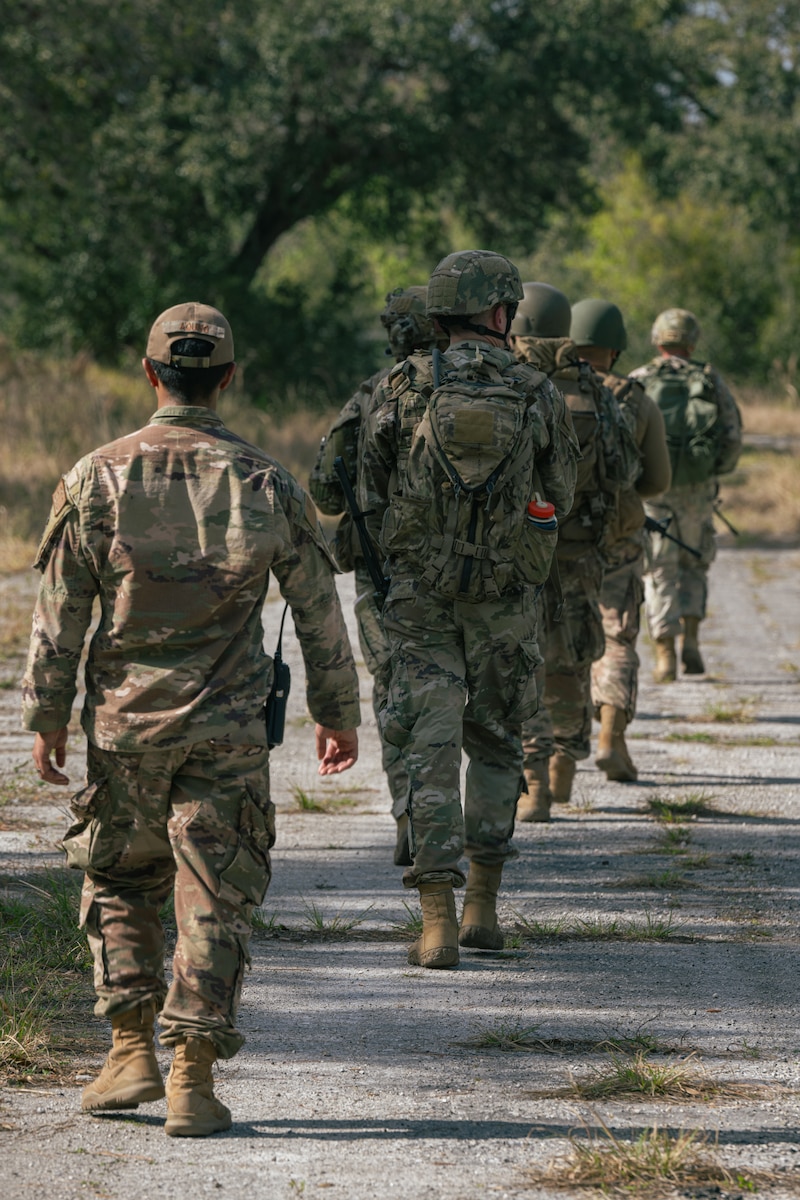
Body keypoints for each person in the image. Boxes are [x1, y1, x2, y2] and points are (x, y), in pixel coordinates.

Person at [21, 302, 360, 1136]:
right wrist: (337, 711)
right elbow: (319, 610)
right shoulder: (267, 482)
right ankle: (191, 1079)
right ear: (228, 379)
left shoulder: (94, 477)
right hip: (228, 732)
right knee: (214, 892)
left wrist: (46, 713)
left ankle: (128, 1051)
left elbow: (60, 613)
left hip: (124, 730)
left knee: (119, 879)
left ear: (150, 374)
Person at [360, 250, 578, 969]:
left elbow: (369, 493)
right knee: (495, 741)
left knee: (429, 747)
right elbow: (563, 492)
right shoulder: (536, 390)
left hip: (420, 601)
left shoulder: (401, 384)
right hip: (505, 602)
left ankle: (436, 924)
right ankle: (483, 905)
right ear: (499, 312)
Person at [309, 287, 446, 867]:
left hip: (384, 572)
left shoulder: (372, 394)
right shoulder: (476, 388)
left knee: (395, 689)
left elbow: (324, 493)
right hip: (460, 569)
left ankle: (409, 814)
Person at [510, 284, 640, 819]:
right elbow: (624, 472)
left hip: (517, 551)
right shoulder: (595, 389)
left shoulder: (505, 384)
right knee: (571, 657)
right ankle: (564, 762)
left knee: (521, 661)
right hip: (580, 550)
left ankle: (533, 780)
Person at [570, 298, 671, 781]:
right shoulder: (636, 400)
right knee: (617, 635)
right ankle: (611, 735)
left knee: (557, 640)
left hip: (559, 541)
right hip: (616, 538)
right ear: (615, 349)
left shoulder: (546, 392)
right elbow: (657, 482)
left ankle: (555, 762)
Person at [631, 309, 742, 681]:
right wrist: (713, 471)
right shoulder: (710, 380)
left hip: (654, 491)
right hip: (697, 490)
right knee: (695, 563)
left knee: (659, 569)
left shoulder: (639, 379)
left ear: (657, 340)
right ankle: (691, 642)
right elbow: (732, 435)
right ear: (692, 342)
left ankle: (665, 655)